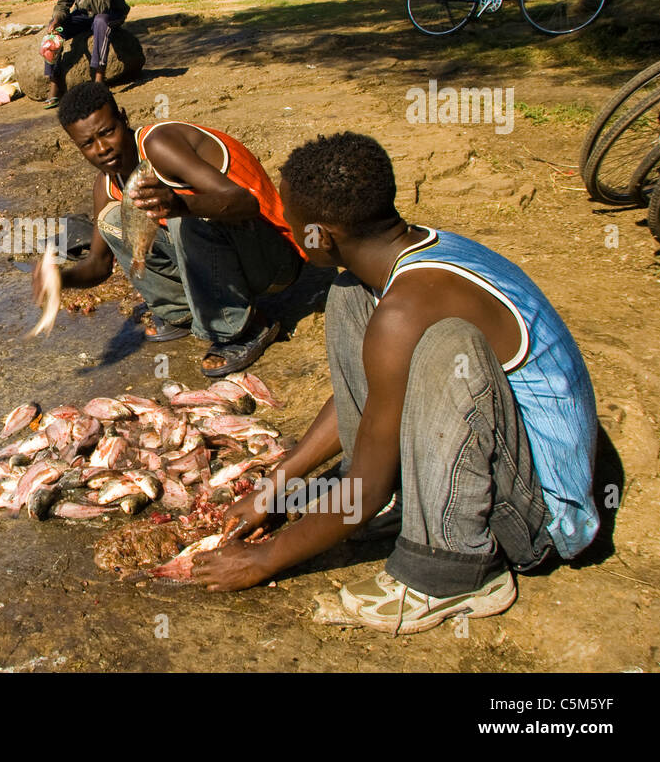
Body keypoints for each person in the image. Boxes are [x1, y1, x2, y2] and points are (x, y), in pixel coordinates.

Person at [191, 132, 599, 635]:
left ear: (324, 234)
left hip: (539, 518)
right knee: (348, 295)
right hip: (501, 463)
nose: (289, 230)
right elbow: (374, 399)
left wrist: (265, 559)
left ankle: (453, 570)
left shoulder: (409, 307)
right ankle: (412, 502)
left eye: (294, 222)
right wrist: (280, 486)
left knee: (448, 348)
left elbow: (359, 491)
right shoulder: (404, 255)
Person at [39, 83, 304, 375]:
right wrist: (60, 279)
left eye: (107, 132)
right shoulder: (106, 185)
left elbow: (246, 203)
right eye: (87, 144)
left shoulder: (159, 145)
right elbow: (99, 265)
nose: (102, 149)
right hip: (227, 265)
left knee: (181, 216)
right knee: (113, 218)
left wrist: (180, 206)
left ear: (124, 119)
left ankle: (242, 327)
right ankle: (183, 312)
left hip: (274, 260)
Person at [42, 0, 130, 109]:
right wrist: (57, 19)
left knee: (100, 22)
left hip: (111, 12)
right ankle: (54, 82)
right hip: (86, 13)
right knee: (55, 30)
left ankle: (98, 79)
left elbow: (102, 6)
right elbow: (63, 3)